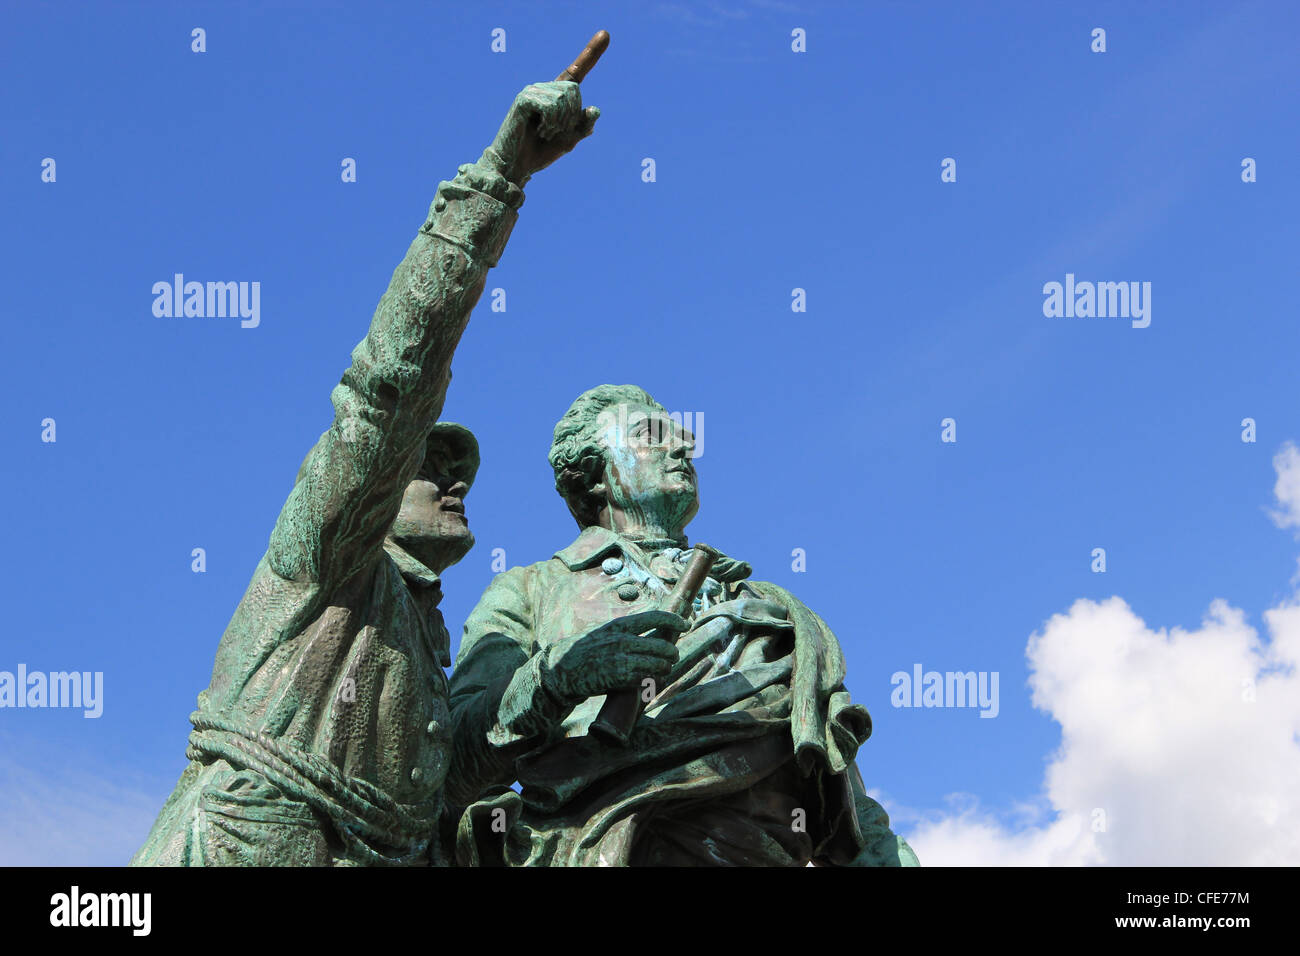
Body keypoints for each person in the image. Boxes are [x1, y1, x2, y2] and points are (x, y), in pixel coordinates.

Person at [131, 79, 599, 866]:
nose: (455, 484)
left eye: (463, 474)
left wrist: (554, 685)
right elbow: (390, 385)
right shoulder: (332, 550)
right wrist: (498, 181)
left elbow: (448, 796)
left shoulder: (424, 628)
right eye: (431, 466)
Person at [447, 385, 920, 866]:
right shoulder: (532, 589)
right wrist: (554, 680)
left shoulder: (765, 606)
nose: (680, 446)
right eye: (650, 436)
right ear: (592, 474)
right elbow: (453, 760)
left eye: (683, 439)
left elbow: (847, 799)